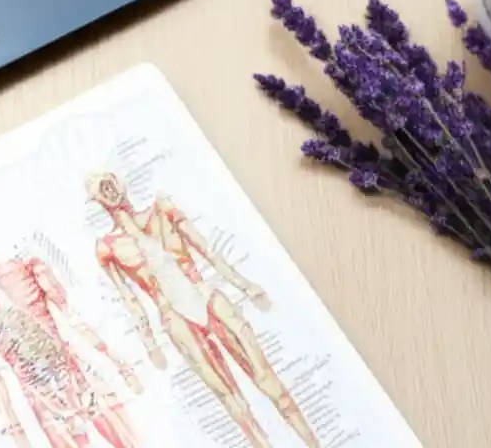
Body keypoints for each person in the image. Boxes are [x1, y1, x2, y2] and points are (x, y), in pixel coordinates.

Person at [85, 172, 320, 448]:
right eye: (103, 188)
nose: (110, 190)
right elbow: (129, 298)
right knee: (230, 398)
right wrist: (149, 343)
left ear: (121, 184)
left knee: (266, 377)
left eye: (111, 182)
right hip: (175, 317)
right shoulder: (107, 248)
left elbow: (206, 250)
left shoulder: (162, 209)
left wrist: (244, 285)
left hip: (207, 297)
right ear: (97, 199)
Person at [0, 212, 141, 448]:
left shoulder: (25, 268)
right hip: (41, 397)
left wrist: (119, 364)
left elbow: (72, 319)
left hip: (77, 374)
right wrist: (17, 433)